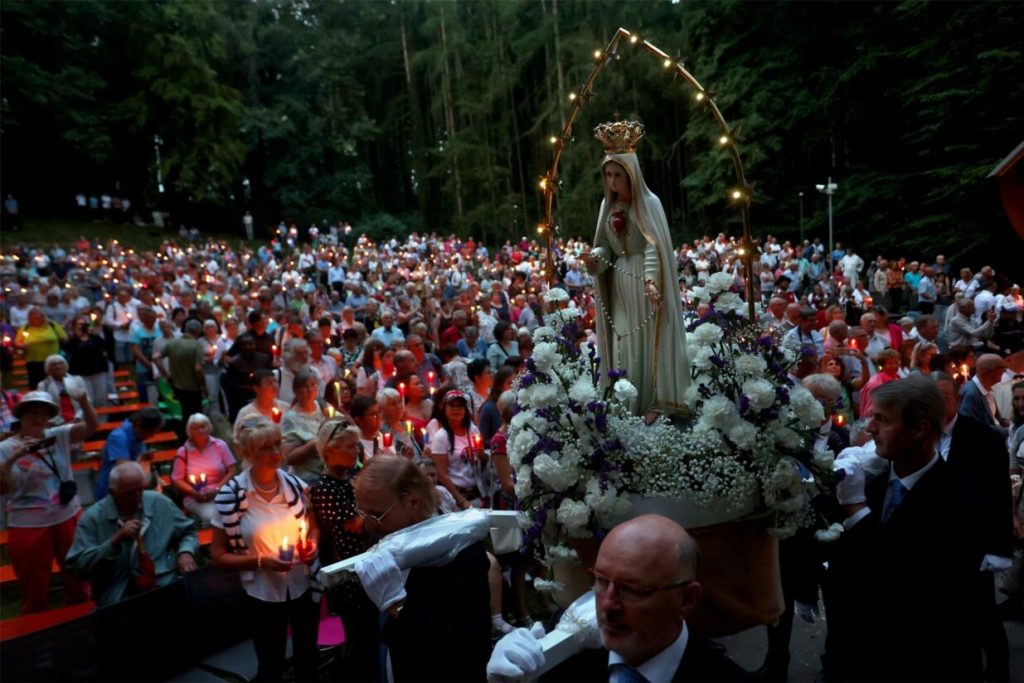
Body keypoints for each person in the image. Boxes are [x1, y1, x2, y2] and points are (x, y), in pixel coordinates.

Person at [823, 376, 987, 681]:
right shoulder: (871, 480)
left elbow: (905, 583)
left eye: (882, 419)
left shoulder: (960, 499)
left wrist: (857, 510)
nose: (871, 429)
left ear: (919, 429)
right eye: (872, 418)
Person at [487, 514, 746, 682]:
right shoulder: (563, 648)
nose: (607, 605)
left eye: (632, 589)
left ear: (687, 599)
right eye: (600, 580)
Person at [578, 122, 689, 419]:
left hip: (644, 281)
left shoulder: (650, 204)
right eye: (608, 175)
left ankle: (654, 401)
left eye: (618, 175)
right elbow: (606, 248)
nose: (613, 181)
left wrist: (652, 281)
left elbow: (653, 247)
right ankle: (624, 403)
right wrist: (594, 258)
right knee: (623, 342)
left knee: (649, 341)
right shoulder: (607, 205)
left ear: (631, 174)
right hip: (619, 286)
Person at [352, 455, 491, 681]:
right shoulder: (382, 534)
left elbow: (463, 648)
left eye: (377, 515)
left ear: (413, 502)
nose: (368, 525)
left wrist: (397, 605)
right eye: (363, 513)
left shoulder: (461, 553)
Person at [210, 416, 321, 682]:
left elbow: (314, 528)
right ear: (248, 453)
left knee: (308, 659)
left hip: (303, 585)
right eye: (266, 447)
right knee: (271, 665)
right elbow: (218, 555)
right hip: (262, 594)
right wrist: (260, 561)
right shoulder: (231, 496)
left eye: (278, 444)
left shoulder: (296, 486)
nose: (276, 453)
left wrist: (313, 546)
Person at [0, 390, 96, 614]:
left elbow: (91, 427)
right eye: (33, 413)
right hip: (28, 525)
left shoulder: (57, 435)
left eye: (44, 415)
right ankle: (39, 633)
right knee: (34, 583)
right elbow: (1, 488)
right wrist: (15, 456)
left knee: (78, 574)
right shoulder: (4, 449)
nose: (39, 419)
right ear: (21, 416)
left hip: (68, 515)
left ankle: (81, 618)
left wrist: (82, 400)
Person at [66, 461, 199, 607]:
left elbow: (189, 532)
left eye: (140, 490)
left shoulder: (159, 502)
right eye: (128, 493)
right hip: (118, 598)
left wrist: (186, 552)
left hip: (164, 585)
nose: (136, 497)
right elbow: (77, 567)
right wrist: (114, 541)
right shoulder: (93, 519)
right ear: (112, 492)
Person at [309, 416, 377, 681]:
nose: (356, 451)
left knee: (370, 635)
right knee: (358, 638)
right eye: (349, 446)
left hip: (364, 565)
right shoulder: (324, 488)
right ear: (328, 450)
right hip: (348, 574)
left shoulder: (350, 477)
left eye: (357, 445)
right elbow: (358, 524)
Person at [170, 414, 237, 525]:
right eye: (195, 428)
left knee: (236, 512)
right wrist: (194, 492)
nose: (200, 430)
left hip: (221, 491)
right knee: (213, 516)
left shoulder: (220, 445)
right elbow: (177, 479)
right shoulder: (183, 451)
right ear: (190, 431)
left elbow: (232, 470)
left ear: (209, 427)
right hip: (195, 497)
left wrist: (217, 488)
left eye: (203, 426)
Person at [429, 390, 485, 509]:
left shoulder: (473, 430)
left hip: (477, 493)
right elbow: (442, 474)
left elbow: (482, 460)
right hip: (457, 498)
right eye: (452, 406)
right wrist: (461, 501)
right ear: (444, 409)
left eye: (460, 406)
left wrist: (483, 456)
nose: (456, 409)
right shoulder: (441, 437)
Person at [95, 407, 165, 500]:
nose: (151, 436)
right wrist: (142, 458)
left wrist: (155, 480)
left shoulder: (139, 438)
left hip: (132, 490)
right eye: (150, 432)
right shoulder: (118, 437)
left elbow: (141, 467)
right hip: (112, 493)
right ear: (139, 425)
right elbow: (124, 471)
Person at [281, 367, 328, 484]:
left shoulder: (323, 407)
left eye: (313, 385)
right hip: (307, 479)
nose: (310, 389)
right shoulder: (291, 418)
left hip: (327, 475)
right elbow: (287, 457)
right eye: (305, 386)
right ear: (296, 390)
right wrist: (312, 445)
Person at [165, 318, 206, 430]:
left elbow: (155, 357)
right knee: (195, 416)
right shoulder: (196, 345)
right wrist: (203, 386)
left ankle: (183, 437)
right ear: (198, 331)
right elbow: (198, 369)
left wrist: (166, 374)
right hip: (193, 388)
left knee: (184, 413)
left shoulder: (173, 342)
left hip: (177, 386)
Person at [15, 307, 67, 389]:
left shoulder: (52, 325)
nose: (35, 319)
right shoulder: (25, 328)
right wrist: (21, 345)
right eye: (32, 317)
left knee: (53, 384)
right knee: (35, 384)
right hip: (33, 361)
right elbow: (17, 342)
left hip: (52, 361)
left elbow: (64, 338)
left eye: (37, 316)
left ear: (42, 316)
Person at [960, 353, 1010, 439]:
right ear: (993, 371)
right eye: (1003, 369)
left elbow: (994, 419)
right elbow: (971, 428)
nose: (1004, 372)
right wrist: (1009, 431)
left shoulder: (985, 389)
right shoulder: (971, 394)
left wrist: (1009, 424)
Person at [233, 369, 290, 442]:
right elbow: (238, 440)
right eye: (268, 382)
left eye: (275, 381)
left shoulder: (284, 407)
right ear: (256, 388)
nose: (274, 385)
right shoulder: (246, 413)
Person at [36, 354, 89, 425]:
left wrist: (77, 418)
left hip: (79, 420)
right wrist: (60, 422)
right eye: (53, 364)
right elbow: (43, 407)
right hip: (56, 423)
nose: (58, 366)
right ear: (48, 368)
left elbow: (87, 401)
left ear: (66, 365)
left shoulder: (77, 380)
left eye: (61, 363)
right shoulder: (43, 385)